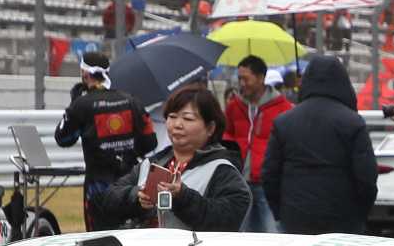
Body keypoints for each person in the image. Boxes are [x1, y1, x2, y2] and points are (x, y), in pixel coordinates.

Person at [106, 83, 250, 232]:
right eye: (172, 117)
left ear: (210, 128)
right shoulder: (151, 164)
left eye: (188, 119)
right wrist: (136, 196)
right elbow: (110, 199)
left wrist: (182, 197)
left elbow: (228, 218)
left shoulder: (221, 169)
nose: (177, 125)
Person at [262, 55, 376, 236]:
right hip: (343, 217)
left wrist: (280, 212)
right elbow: (367, 178)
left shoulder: (284, 122)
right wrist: (360, 214)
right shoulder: (353, 122)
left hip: (294, 216)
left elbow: (269, 174)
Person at [55, 52, 151, 232]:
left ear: (84, 73)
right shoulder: (131, 101)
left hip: (97, 188)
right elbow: (150, 142)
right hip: (130, 184)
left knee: (98, 242)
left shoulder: (82, 104)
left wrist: (73, 106)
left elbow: (63, 137)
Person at [224, 54, 291, 232]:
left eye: (246, 78)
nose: (242, 83)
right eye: (239, 79)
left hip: (266, 183)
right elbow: (227, 133)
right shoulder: (233, 106)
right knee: (240, 235)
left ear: (261, 78)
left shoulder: (283, 108)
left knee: (272, 233)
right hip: (238, 182)